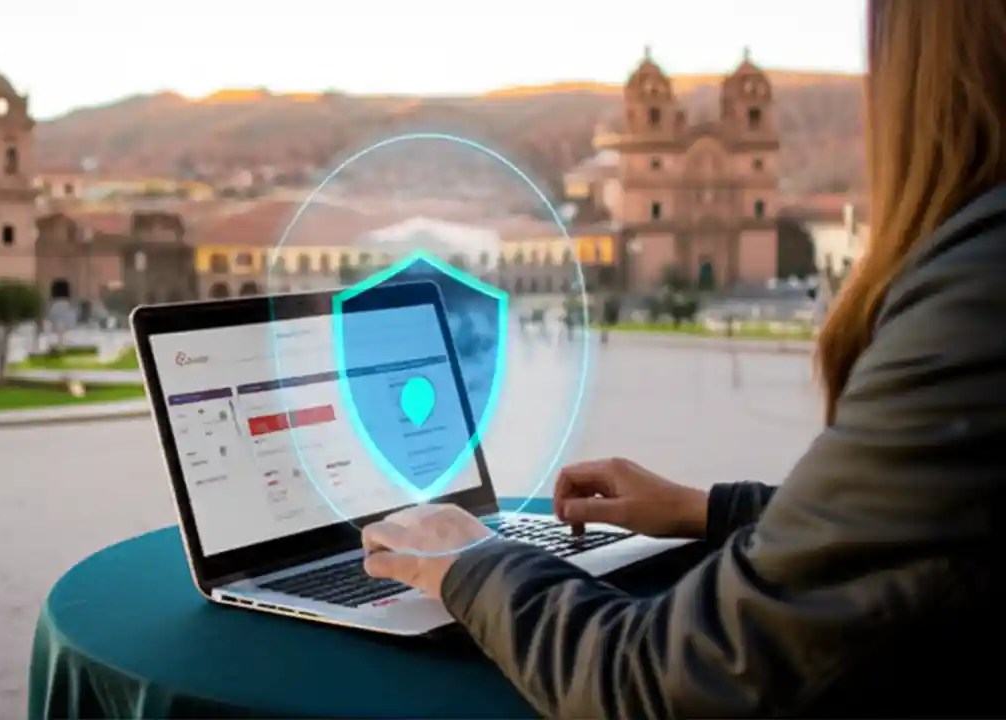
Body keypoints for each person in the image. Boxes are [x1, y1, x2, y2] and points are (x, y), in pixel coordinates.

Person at [361, 2, 1006, 716]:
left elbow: (664, 683)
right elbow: (931, 520)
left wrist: (474, 561)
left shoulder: (982, 296)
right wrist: (713, 509)